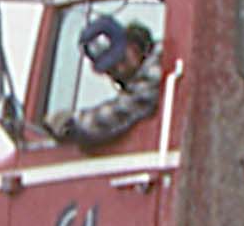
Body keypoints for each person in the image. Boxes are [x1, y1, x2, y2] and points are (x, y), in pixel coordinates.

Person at [49, 13, 162, 149]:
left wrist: (75, 123)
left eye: (122, 59)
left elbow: (128, 106)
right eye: (111, 69)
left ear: (134, 43)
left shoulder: (159, 62)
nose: (120, 70)